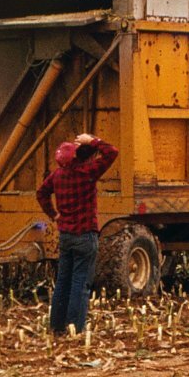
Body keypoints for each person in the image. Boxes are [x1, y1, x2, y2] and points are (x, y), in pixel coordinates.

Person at [36, 132, 119, 335]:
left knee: (63, 282)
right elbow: (112, 152)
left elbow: (41, 193)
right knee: (80, 283)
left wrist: (54, 214)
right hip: (85, 235)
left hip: (66, 235)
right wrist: (93, 141)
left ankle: (56, 327)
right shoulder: (86, 172)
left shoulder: (57, 175)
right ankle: (75, 329)